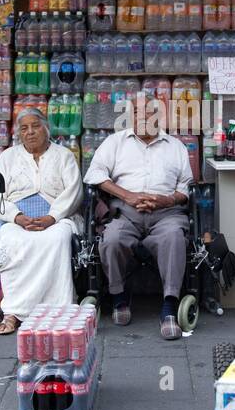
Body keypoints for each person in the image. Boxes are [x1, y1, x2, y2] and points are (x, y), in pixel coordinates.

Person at [83, 94, 194, 341]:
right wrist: (128, 195)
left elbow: (185, 186)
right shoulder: (115, 142)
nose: (142, 117)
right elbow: (95, 174)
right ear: (130, 116)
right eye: (136, 113)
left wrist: (166, 200)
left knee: (174, 237)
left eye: (148, 113)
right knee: (111, 238)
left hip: (166, 213)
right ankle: (119, 297)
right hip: (126, 212)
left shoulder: (175, 146)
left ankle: (169, 306)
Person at [0, 108, 83, 335]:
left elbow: (75, 191)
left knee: (58, 238)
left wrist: (52, 218)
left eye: (36, 126)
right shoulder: (8, 157)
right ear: (18, 134)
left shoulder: (64, 156)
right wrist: (18, 218)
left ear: (46, 128)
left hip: (57, 217)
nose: (30, 132)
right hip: (18, 219)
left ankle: (58, 311)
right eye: (24, 128)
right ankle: (13, 312)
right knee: (11, 240)